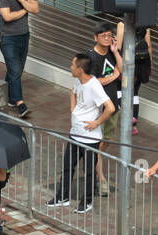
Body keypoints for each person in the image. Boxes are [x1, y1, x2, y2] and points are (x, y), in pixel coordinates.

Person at [46, 55, 114, 215]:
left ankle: (87, 201)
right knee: (68, 166)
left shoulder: (94, 85)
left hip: (90, 138)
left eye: (72, 65)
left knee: (89, 171)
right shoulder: (78, 80)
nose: (70, 67)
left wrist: (97, 123)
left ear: (80, 69)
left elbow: (110, 107)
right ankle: (62, 196)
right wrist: (73, 109)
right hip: (75, 134)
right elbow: (73, 92)